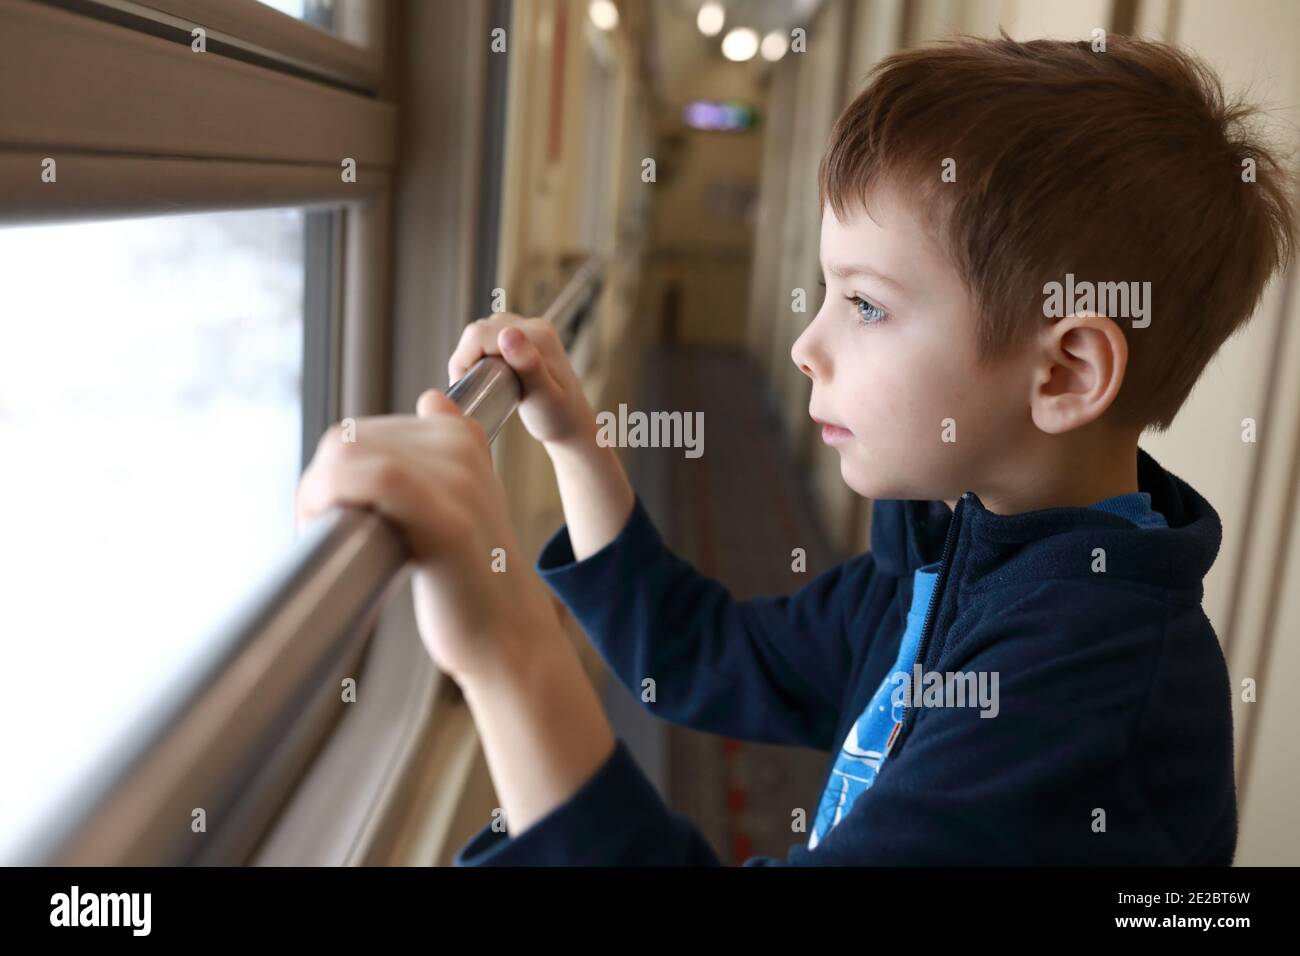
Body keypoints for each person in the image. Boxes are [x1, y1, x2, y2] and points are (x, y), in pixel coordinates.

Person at [294, 33, 1296, 865]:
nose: (806, 345)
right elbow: (701, 654)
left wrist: (507, 651)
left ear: (1065, 373)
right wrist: (577, 444)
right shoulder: (963, 547)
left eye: (865, 304)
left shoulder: (1091, 683)